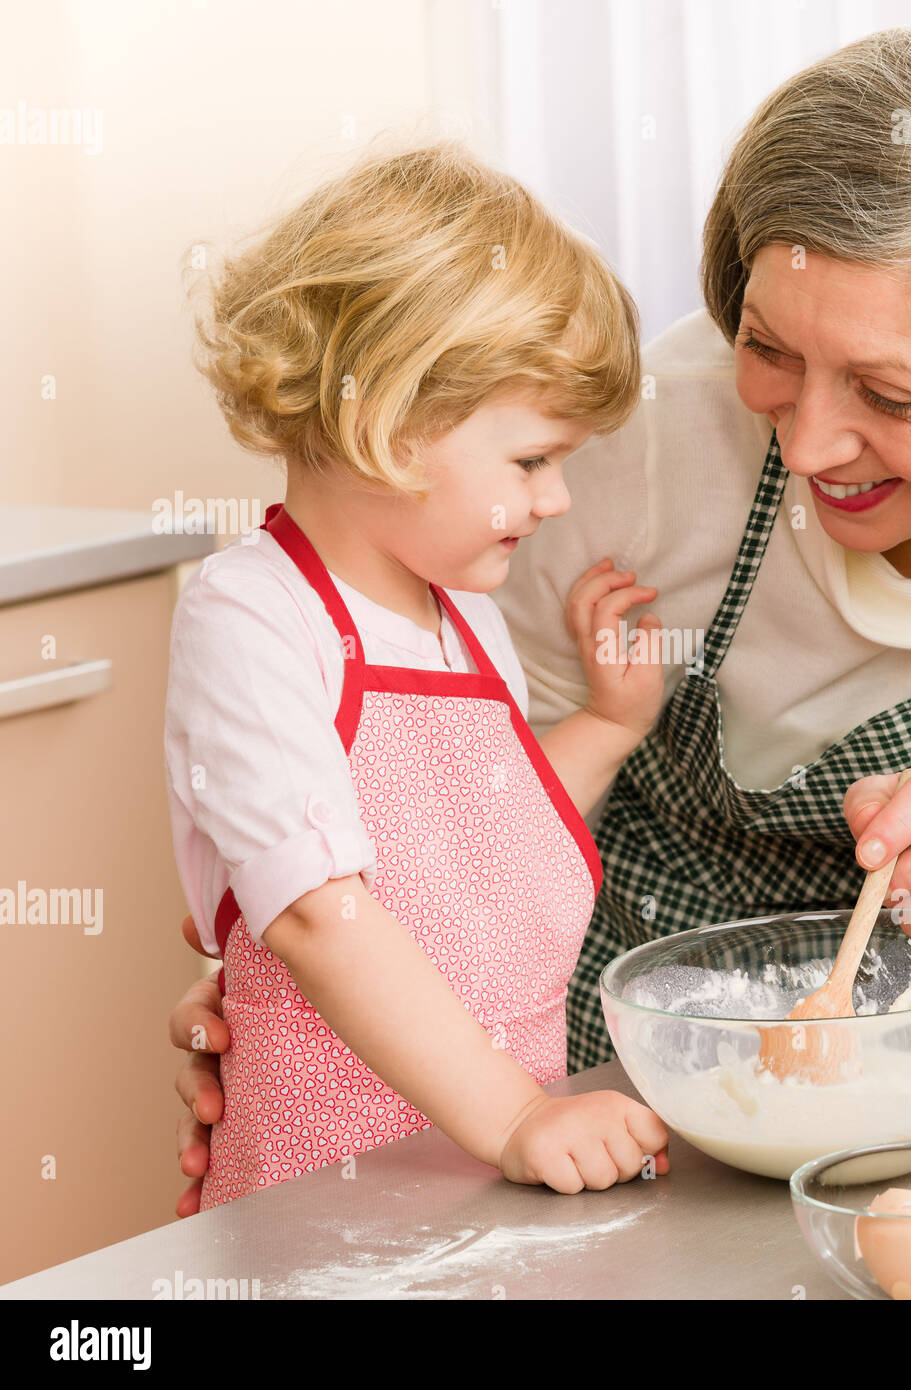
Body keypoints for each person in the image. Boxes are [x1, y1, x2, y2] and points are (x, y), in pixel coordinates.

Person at [171, 27, 911, 1207]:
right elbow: (435, 819)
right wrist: (286, 966)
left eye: (891, 396)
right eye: (764, 349)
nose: (802, 443)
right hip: (610, 1062)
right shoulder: (635, 434)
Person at [166, 143, 669, 1208]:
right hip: (330, 1193)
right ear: (386, 421)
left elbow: (477, 845)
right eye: (533, 459)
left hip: (487, 1175)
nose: (557, 500)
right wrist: (518, 1116)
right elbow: (310, 913)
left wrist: (611, 724)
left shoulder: (469, 619)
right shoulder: (253, 614)